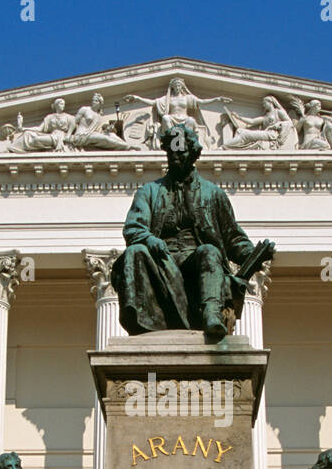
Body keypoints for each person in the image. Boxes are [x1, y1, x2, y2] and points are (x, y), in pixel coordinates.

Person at [110, 122, 271, 339]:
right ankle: (141, 326)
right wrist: (149, 240)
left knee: (209, 251)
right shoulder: (149, 191)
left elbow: (232, 236)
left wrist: (253, 256)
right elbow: (133, 227)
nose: (176, 156)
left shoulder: (212, 193)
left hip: (196, 263)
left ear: (194, 154)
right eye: (172, 152)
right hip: (161, 262)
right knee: (135, 251)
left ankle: (211, 314)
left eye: (181, 151)